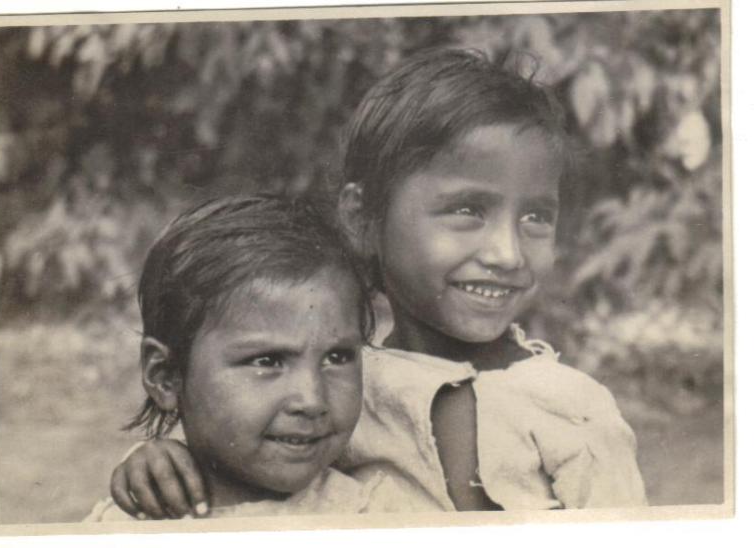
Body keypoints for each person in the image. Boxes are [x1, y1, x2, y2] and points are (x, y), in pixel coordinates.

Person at [108, 48, 647, 518]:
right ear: (362, 218)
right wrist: (162, 462)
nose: (508, 254)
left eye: (536, 217)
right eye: (467, 210)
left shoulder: (571, 409)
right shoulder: (339, 384)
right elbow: (230, 443)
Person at [87, 195, 411, 521]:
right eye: (268, 362)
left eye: (337, 357)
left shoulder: (377, 515)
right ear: (166, 377)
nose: (312, 400)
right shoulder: (129, 525)